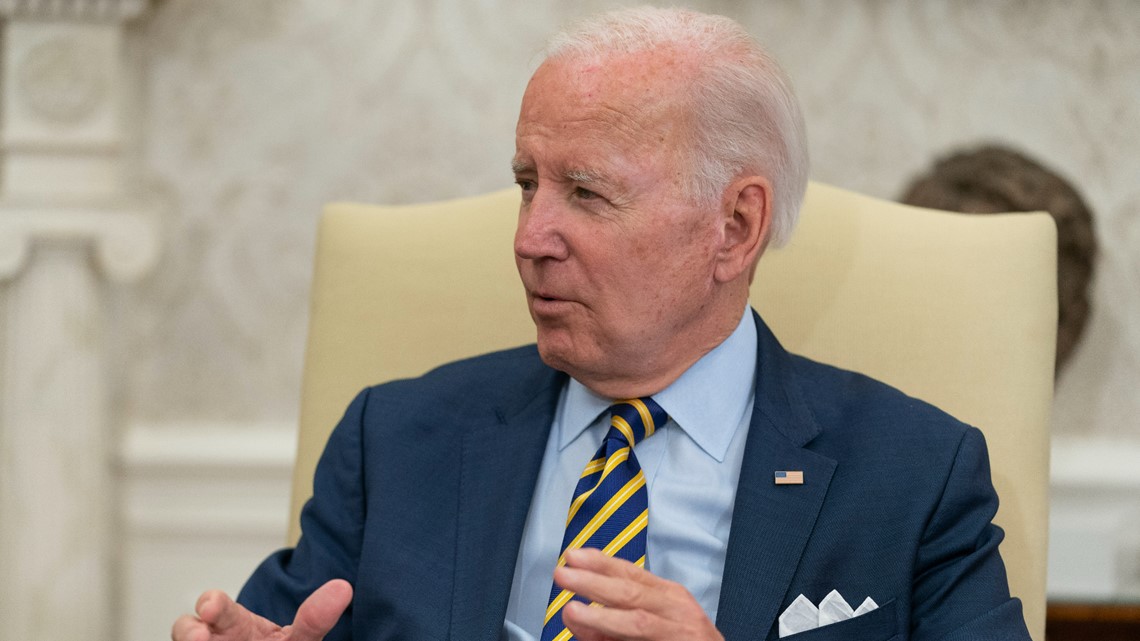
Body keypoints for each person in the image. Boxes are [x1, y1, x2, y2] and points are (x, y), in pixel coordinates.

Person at [172, 7, 1031, 641]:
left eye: (586, 192)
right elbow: (278, 626)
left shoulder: (914, 476)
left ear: (734, 227)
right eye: (526, 183)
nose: (529, 238)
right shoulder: (396, 439)